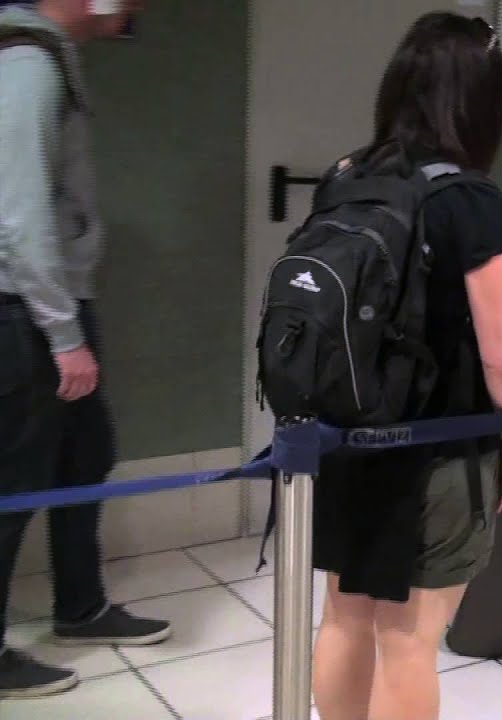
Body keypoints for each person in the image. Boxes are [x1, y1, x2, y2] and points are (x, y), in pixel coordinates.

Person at [308, 12, 502, 720]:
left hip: (347, 437)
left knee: (345, 617)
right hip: (439, 449)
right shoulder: (472, 200)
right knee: (409, 639)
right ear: (480, 102)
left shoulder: (348, 176)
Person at [0, 0, 171, 700]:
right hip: (26, 315)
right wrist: (63, 334)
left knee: (83, 456)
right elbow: (17, 215)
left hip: (54, 307)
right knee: (14, 486)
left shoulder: (46, 59)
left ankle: (80, 608)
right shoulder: (27, 63)